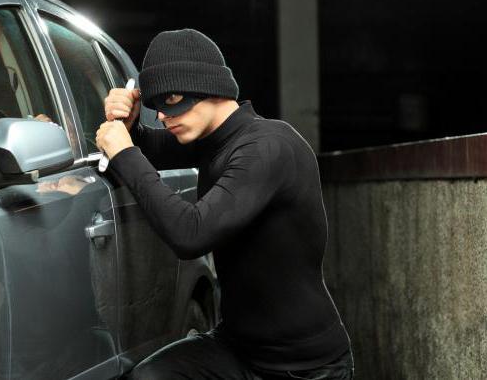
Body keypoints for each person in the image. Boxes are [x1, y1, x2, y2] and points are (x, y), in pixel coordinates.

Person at [95, 29, 353, 379]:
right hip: (235, 350)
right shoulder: (213, 141)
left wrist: (124, 151)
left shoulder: (268, 146)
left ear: (208, 87)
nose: (161, 116)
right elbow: (148, 153)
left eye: (170, 99)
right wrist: (130, 130)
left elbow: (190, 233)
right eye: (154, 105)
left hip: (305, 368)